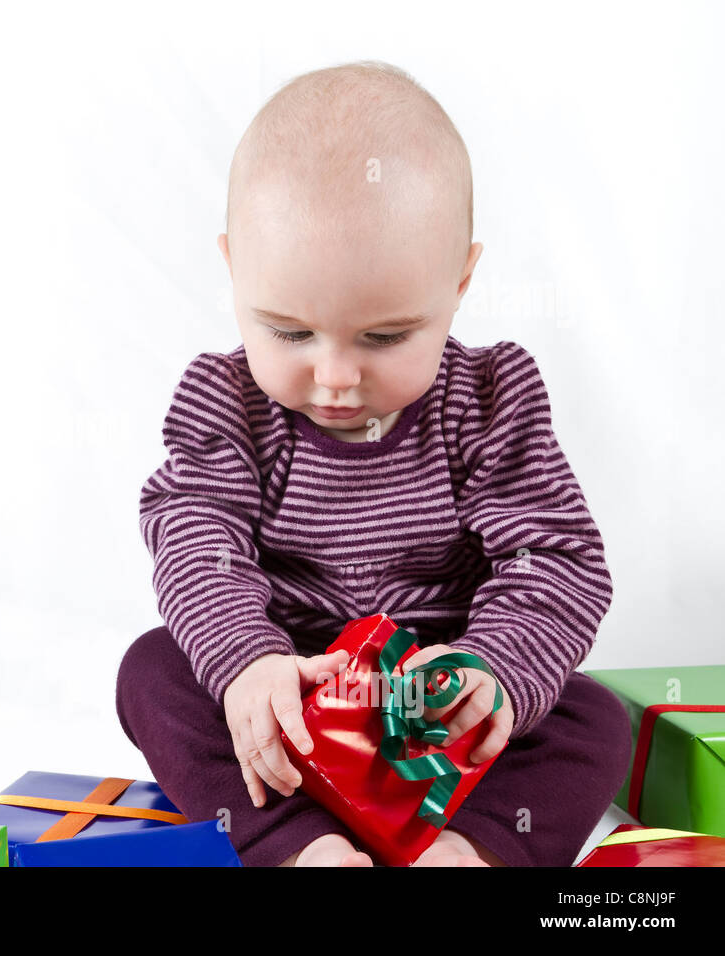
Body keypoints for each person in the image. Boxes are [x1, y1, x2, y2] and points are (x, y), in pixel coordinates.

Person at [116, 60, 632, 866]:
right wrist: (250, 663)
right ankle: (299, 846)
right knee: (152, 672)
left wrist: (490, 670)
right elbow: (195, 541)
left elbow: (556, 559)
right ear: (233, 270)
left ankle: (472, 848)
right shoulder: (224, 403)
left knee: (593, 718)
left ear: (459, 281)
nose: (336, 376)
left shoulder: (491, 399)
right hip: (292, 693)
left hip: (431, 711)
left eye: (384, 337)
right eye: (289, 332)